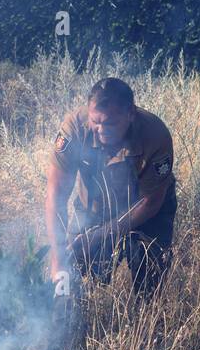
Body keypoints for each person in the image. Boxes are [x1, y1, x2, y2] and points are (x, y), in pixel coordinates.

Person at [45, 77, 177, 302]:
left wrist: (101, 235)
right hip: (94, 208)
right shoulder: (73, 130)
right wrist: (58, 260)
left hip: (147, 212)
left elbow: (151, 202)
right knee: (71, 268)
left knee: (149, 280)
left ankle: (149, 328)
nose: (101, 130)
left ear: (130, 114)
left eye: (111, 124)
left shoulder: (155, 134)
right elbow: (56, 195)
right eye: (96, 121)